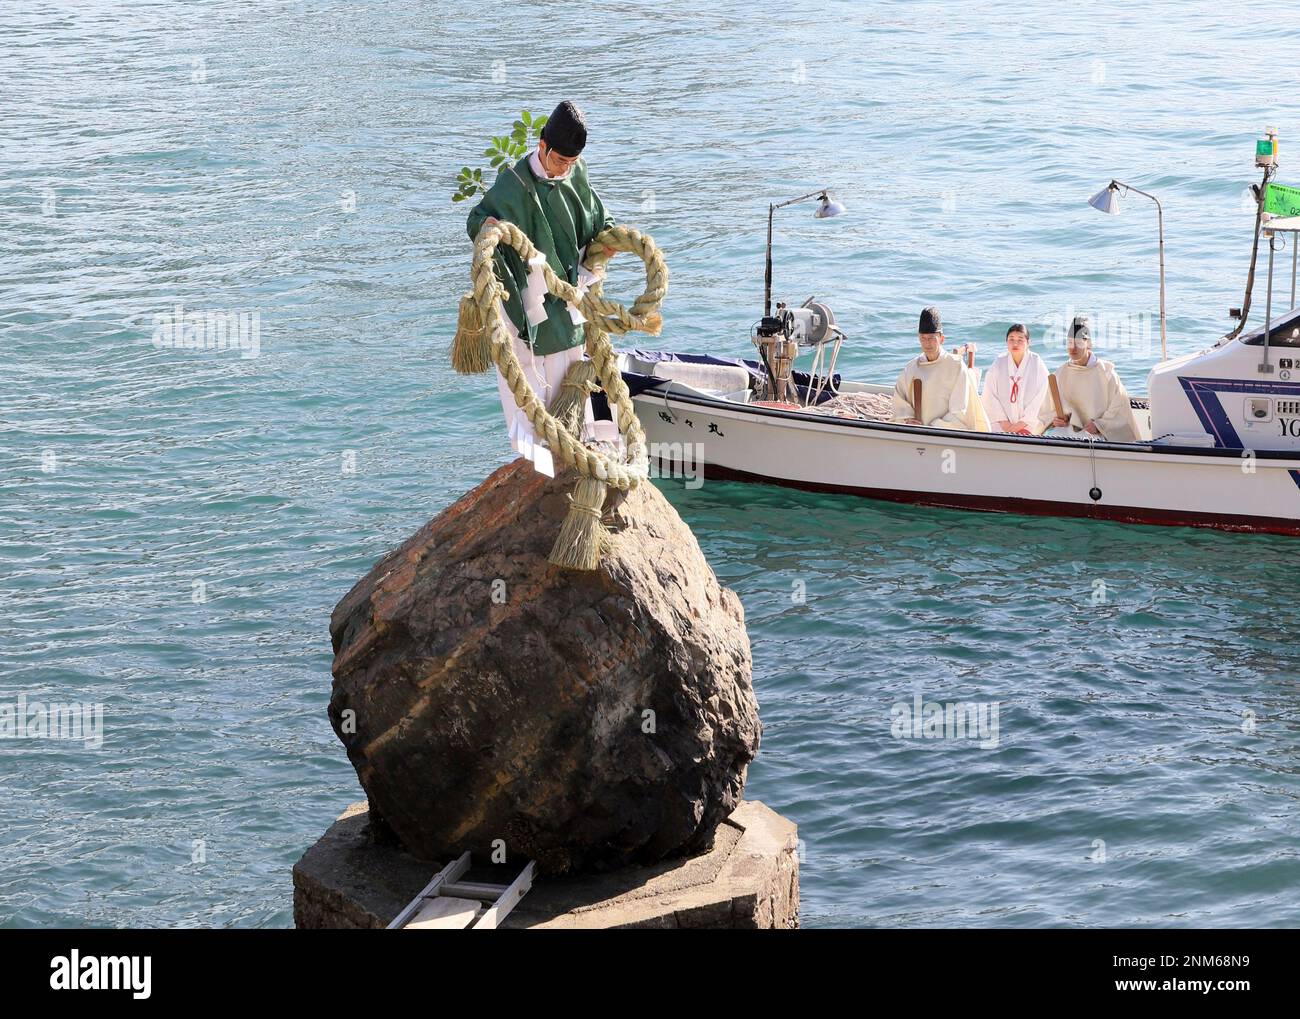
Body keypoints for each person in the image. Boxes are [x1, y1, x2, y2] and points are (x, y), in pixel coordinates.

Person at [465, 100, 618, 474]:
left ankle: (576, 447)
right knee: (531, 387)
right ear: (542, 145)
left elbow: (600, 216)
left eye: (571, 163)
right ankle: (536, 462)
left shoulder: (575, 174)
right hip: (528, 300)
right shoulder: (514, 183)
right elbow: (475, 220)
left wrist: (609, 237)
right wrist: (489, 228)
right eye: (559, 161)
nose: (564, 169)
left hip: (569, 296)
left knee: (572, 376)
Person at [1038, 315, 1140, 441]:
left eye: (1079, 343)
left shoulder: (1106, 373)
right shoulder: (1060, 374)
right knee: (1054, 437)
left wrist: (1099, 425)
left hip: (1098, 433)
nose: (1073, 348)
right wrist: (1057, 420)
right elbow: (1047, 413)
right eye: (1070, 342)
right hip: (1069, 431)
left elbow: (1119, 407)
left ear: (1089, 343)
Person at [891, 306, 989, 431]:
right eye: (923, 338)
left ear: (942, 338)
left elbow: (959, 410)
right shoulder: (911, 368)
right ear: (918, 338)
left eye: (932, 338)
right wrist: (907, 420)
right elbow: (900, 399)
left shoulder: (956, 366)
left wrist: (934, 427)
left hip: (946, 432)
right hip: (915, 431)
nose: (927, 343)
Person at [981, 323, 1048, 435]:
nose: (1015, 343)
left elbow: (1043, 395)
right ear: (1006, 341)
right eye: (1011, 339)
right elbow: (990, 394)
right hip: (1001, 423)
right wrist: (1004, 423)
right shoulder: (999, 362)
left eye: (1020, 340)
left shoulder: (1036, 362)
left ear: (1028, 343)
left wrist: (1021, 424)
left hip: (1030, 423)